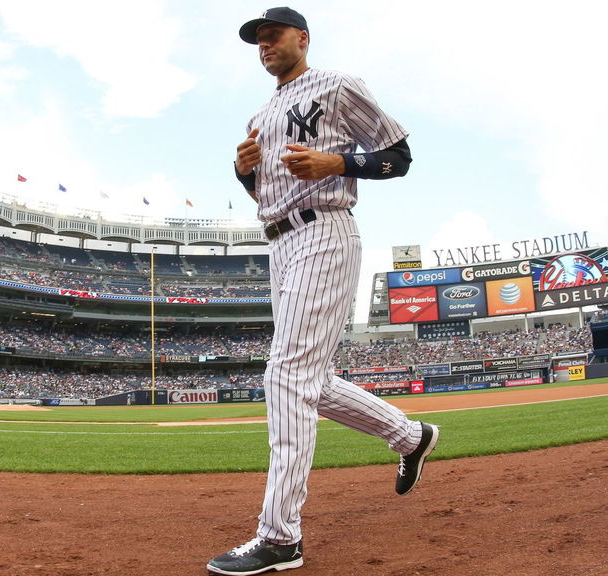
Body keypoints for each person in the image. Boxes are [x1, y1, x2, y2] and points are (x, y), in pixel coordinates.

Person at [207, 7, 439, 575]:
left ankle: (280, 535)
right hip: (279, 241)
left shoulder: (337, 85)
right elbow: (265, 188)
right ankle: (411, 437)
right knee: (310, 377)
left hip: (325, 229)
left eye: (273, 34)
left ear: (301, 39)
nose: (263, 45)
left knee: (285, 374)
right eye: (257, 40)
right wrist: (244, 171)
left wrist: (338, 160)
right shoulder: (259, 115)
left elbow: (399, 157)